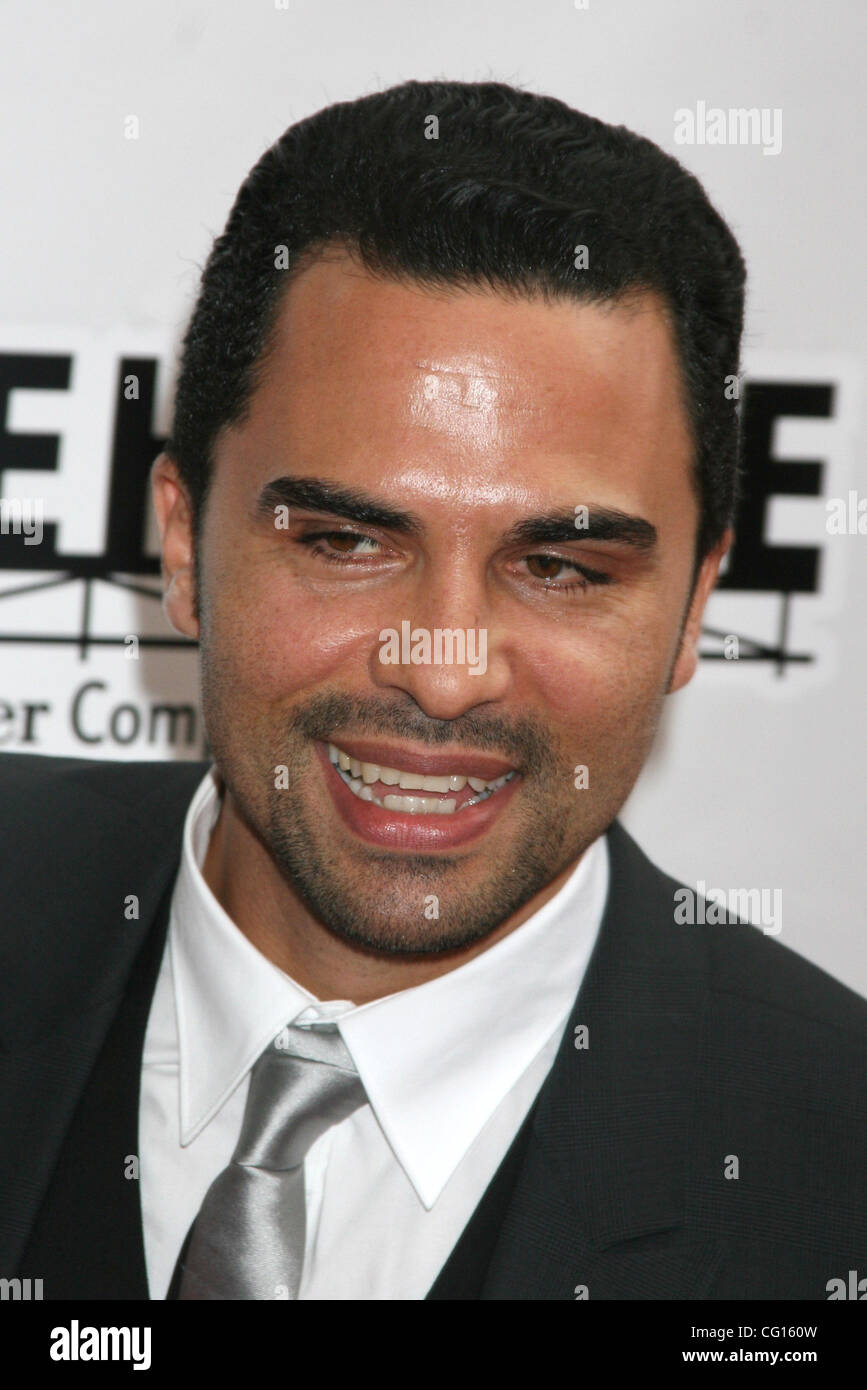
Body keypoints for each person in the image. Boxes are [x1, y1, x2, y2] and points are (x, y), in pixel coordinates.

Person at [2, 79, 865, 1302]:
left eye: (561, 567)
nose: (447, 672)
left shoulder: (831, 1183)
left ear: (694, 605)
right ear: (185, 548)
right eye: (347, 545)